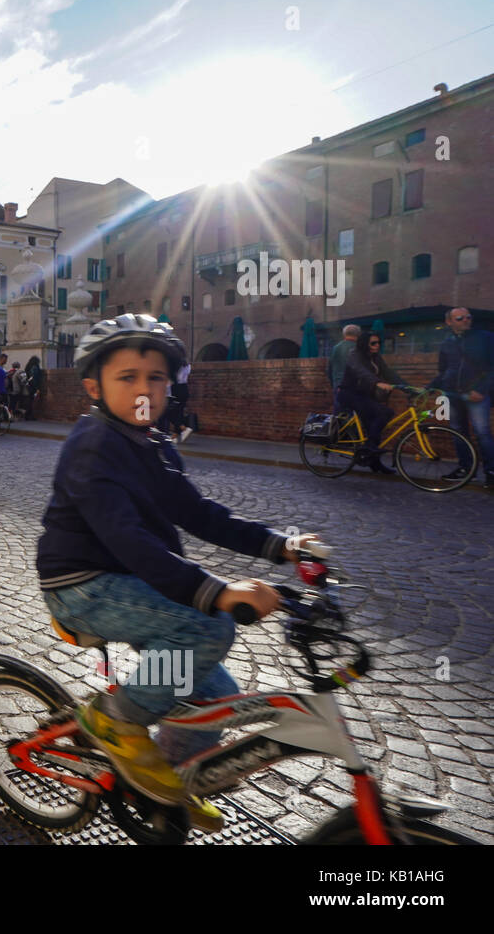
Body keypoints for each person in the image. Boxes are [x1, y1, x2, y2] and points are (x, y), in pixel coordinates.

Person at [37, 313, 320, 833]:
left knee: (213, 699)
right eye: (128, 378)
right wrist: (215, 592)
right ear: (92, 386)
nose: (144, 390)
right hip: (82, 586)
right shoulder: (92, 444)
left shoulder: (156, 443)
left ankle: (162, 781)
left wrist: (280, 546)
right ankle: (115, 721)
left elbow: (199, 513)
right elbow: (130, 540)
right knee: (208, 625)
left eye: (156, 378)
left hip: (136, 584)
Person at [431, 307, 494, 489]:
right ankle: (466, 469)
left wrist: (481, 389)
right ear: (449, 322)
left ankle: (491, 471)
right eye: (460, 318)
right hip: (452, 393)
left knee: (482, 433)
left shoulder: (485, 338)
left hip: (476, 394)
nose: (466, 320)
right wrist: (428, 388)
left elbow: (491, 368)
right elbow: (444, 370)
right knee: (458, 433)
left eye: (468, 317)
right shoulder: (447, 342)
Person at [338, 331, 400, 474]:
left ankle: (374, 462)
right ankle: (369, 447)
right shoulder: (354, 355)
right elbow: (361, 372)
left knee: (374, 427)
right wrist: (377, 383)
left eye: (378, 343)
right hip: (350, 394)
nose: (377, 345)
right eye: (373, 343)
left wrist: (409, 388)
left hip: (364, 395)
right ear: (365, 344)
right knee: (384, 413)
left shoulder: (376, 358)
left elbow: (389, 373)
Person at [326, 324, 362, 412]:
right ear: (358, 335)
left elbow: (329, 369)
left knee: (339, 416)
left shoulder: (336, 348)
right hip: (355, 387)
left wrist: (334, 384)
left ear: (344, 334)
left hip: (338, 386)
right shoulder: (360, 348)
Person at [24, 356, 44, 421]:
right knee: (31, 401)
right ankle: (28, 415)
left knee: (30, 401)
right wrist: (37, 388)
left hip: (29, 386)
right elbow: (34, 379)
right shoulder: (34, 368)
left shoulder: (28, 367)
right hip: (33, 387)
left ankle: (27, 415)